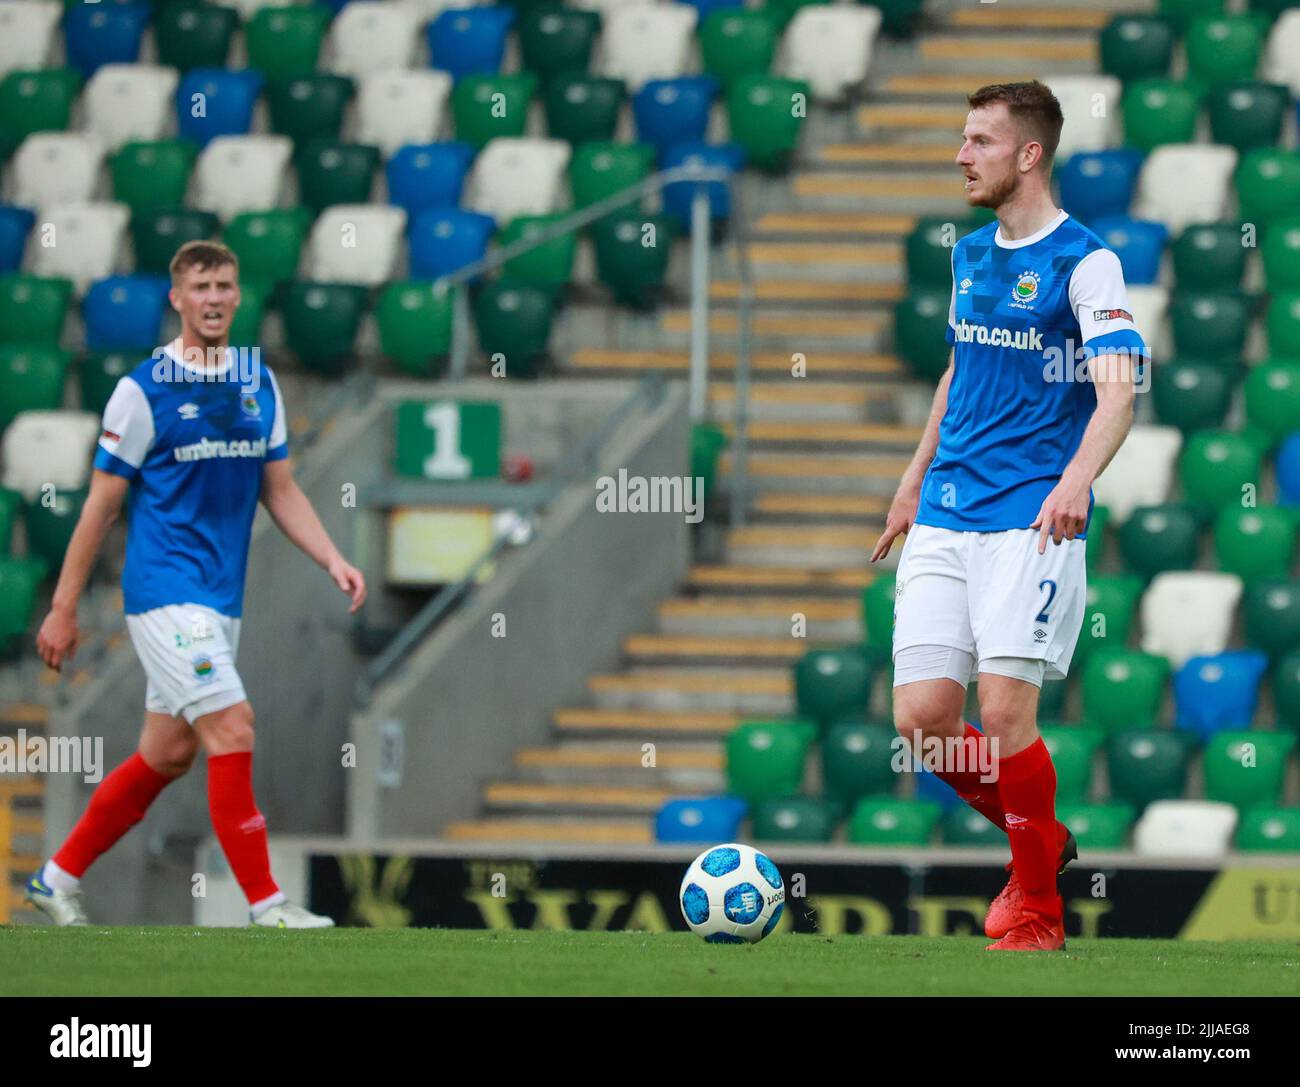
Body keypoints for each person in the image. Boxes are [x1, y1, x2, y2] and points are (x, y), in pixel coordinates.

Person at [871, 82, 1146, 951]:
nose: (962, 155)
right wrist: (914, 478)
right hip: (949, 507)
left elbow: (1118, 392)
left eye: (981, 141)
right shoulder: (967, 255)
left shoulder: (1086, 263)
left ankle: (1037, 910)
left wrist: (1075, 480)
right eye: (964, 139)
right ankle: (1045, 842)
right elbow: (959, 374)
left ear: (1029, 155)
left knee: (1004, 711)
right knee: (921, 722)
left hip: (1031, 517)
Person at [28, 240, 366, 928]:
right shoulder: (142, 389)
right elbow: (101, 505)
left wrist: (332, 556)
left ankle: (54, 877)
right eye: (200, 286)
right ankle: (266, 906)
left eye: (224, 285)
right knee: (234, 724)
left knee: (169, 752)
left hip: (219, 600)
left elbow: (280, 487)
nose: (213, 297)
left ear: (238, 297)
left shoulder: (256, 381)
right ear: (177, 299)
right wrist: (64, 608)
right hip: (163, 593)